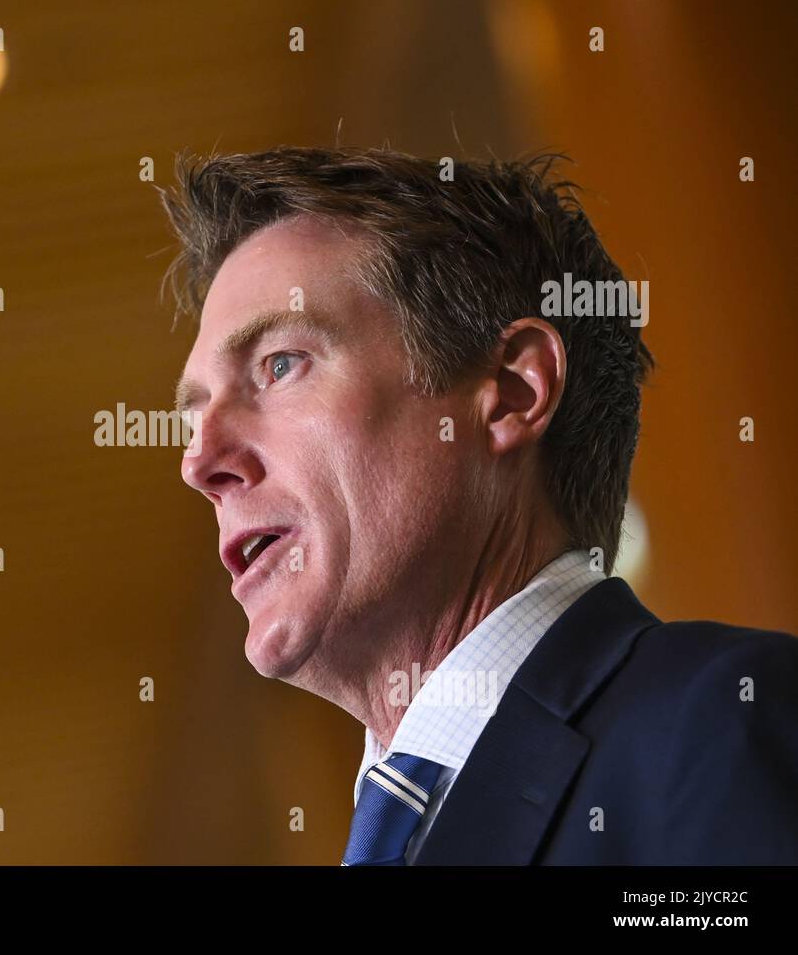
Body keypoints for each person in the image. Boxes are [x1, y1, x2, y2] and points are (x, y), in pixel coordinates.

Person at [161, 145, 798, 864]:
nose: (200, 462)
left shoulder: (722, 725)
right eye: (193, 417)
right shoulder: (407, 827)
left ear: (513, 392)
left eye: (280, 366)